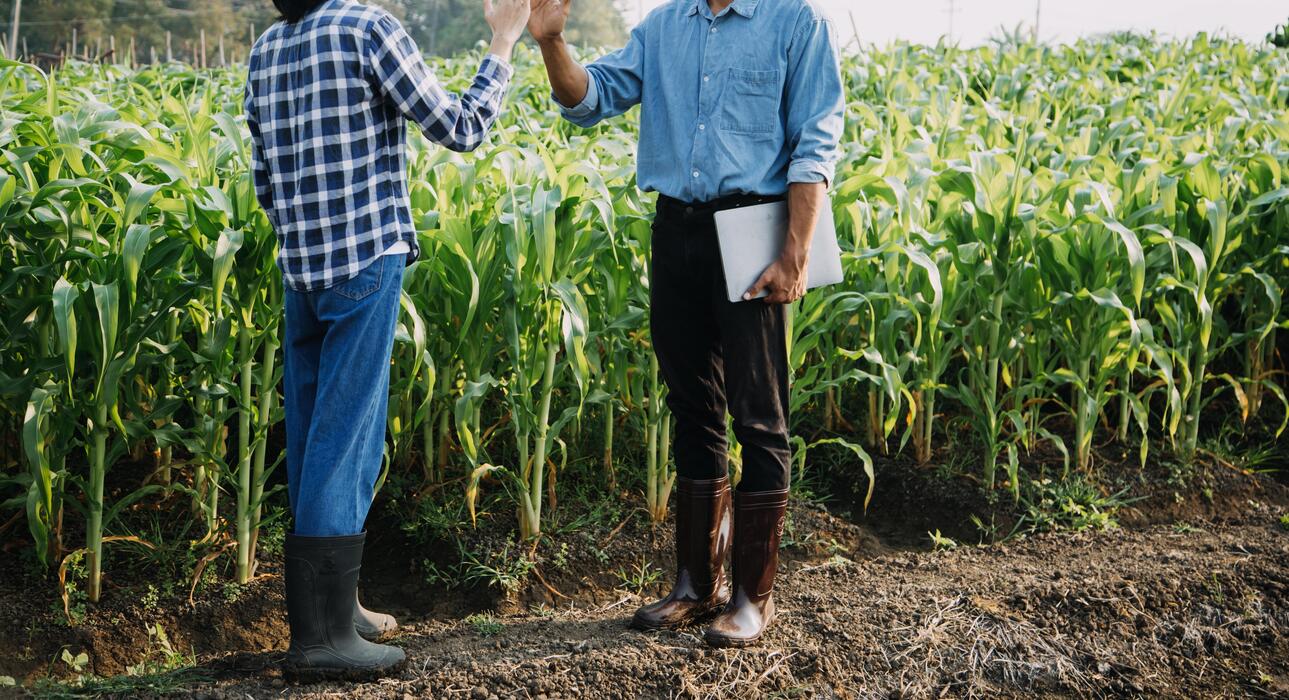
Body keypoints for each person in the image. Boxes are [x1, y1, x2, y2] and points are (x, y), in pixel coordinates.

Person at [527, 0, 844, 647]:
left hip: (754, 227)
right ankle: (694, 587)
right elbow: (588, 99)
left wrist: (796, 251)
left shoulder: (795, 21)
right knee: (692, 408)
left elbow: (815, 138)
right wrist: (551, 42)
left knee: (759, 416)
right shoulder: (662, 26)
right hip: (676, 230)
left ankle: (753, 599)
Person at [244, 0, 531, 678]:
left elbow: (264, 181)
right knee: (347, 438)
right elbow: (460, 128)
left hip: (302, 273)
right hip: (364, 261)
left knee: (318, 436)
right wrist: (502, 43)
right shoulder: (367, 27)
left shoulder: (265, 49)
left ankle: (337, 610)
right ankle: (321, 640)